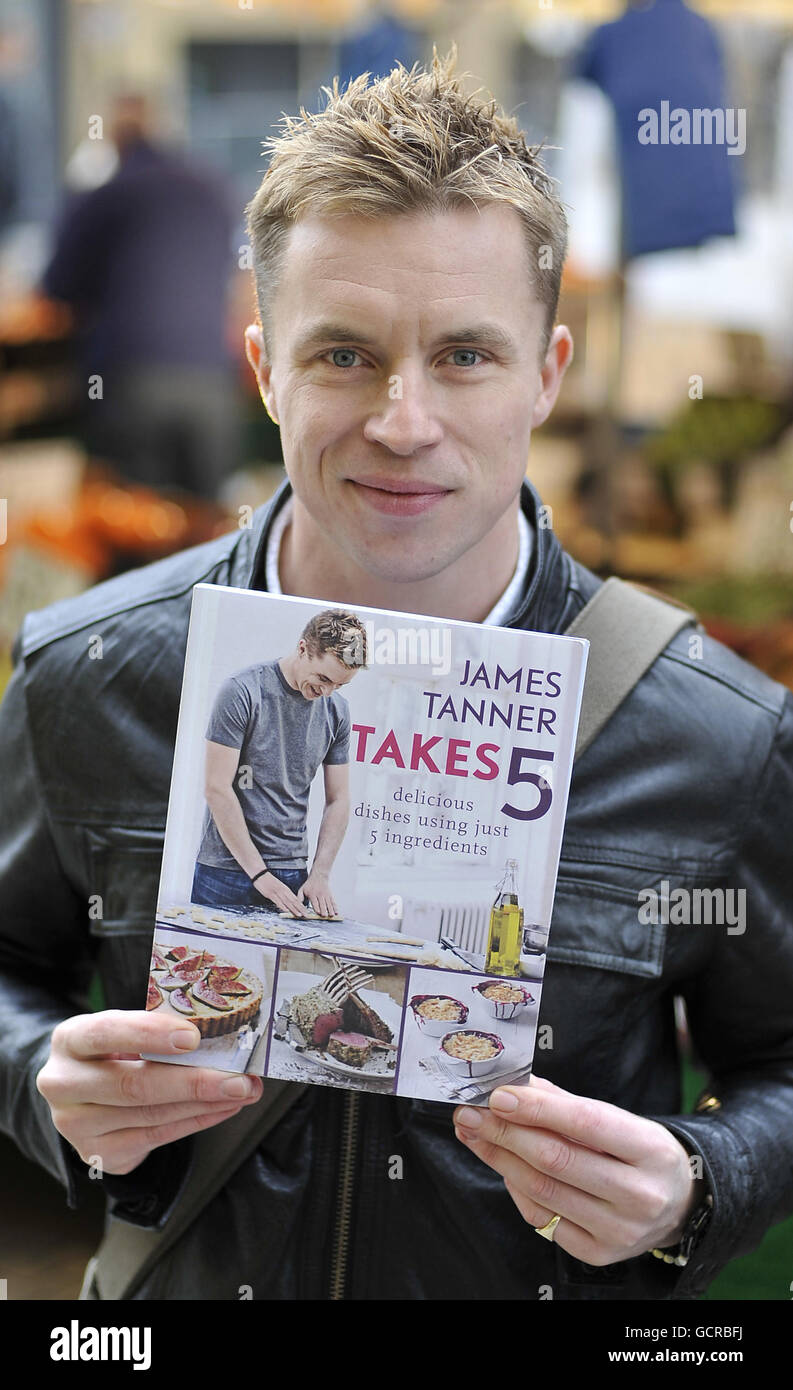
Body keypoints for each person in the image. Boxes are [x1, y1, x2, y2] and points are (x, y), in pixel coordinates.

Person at [1, 49, 791, 1300]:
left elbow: (782, 1059)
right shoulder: (87, 674)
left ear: (549, 373)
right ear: (262, 369)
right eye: (344, 356)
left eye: (466, 356)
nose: (403, 420)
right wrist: (42, 1079)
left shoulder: (714, 732)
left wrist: (698, 1182)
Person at [40, 93, 241, 500]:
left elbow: (57, 290)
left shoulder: (106, 194)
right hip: (213, 386)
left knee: (134, 527)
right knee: (211, 534)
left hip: (132, 387)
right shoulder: (215, 191)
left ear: (113, 138)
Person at [191, 609, 365, 918]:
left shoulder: (337, 711)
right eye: (323, 678)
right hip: (225, 871)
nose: (326, 692)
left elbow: (339, 799)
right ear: (302, 649)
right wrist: (259, 875)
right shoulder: (242, 691)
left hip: (292, 874)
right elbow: (217, 788)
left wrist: (320, 874)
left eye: (339, 685)